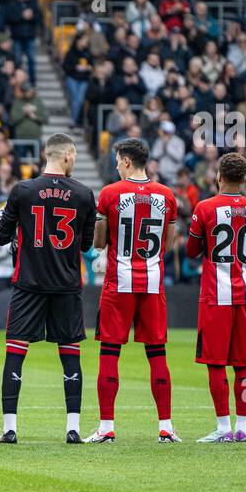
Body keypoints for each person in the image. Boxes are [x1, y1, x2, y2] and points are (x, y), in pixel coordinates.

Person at [0, 133, 97, 444]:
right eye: (74, 156)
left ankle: (10, 429)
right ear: (67, 156)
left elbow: (0, 237)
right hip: (66, 285)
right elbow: (88, 244)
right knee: (70, 355)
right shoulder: (83, 193)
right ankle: (73, 428)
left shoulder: (23, 190)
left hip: (29, 283)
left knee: (15, 353)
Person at [87, 138, 180, 443]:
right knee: (157, 354)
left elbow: (99, 243)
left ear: (126, 161)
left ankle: (106, 427)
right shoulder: (167, 195)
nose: (116, 166)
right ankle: (166, 426)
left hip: (119, 282)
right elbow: (169, 241)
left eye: (117, 161)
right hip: (153, 282)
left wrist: (104, 235)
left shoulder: (111, 193)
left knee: (110, 352)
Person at [186, 154, 246, 442]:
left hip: (216, 295)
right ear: (244, 180)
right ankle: (242, 427)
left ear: (219, 176)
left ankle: (223, 427)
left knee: (215, 362)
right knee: (243, 363)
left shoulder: (205, 208)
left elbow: (191, 250)